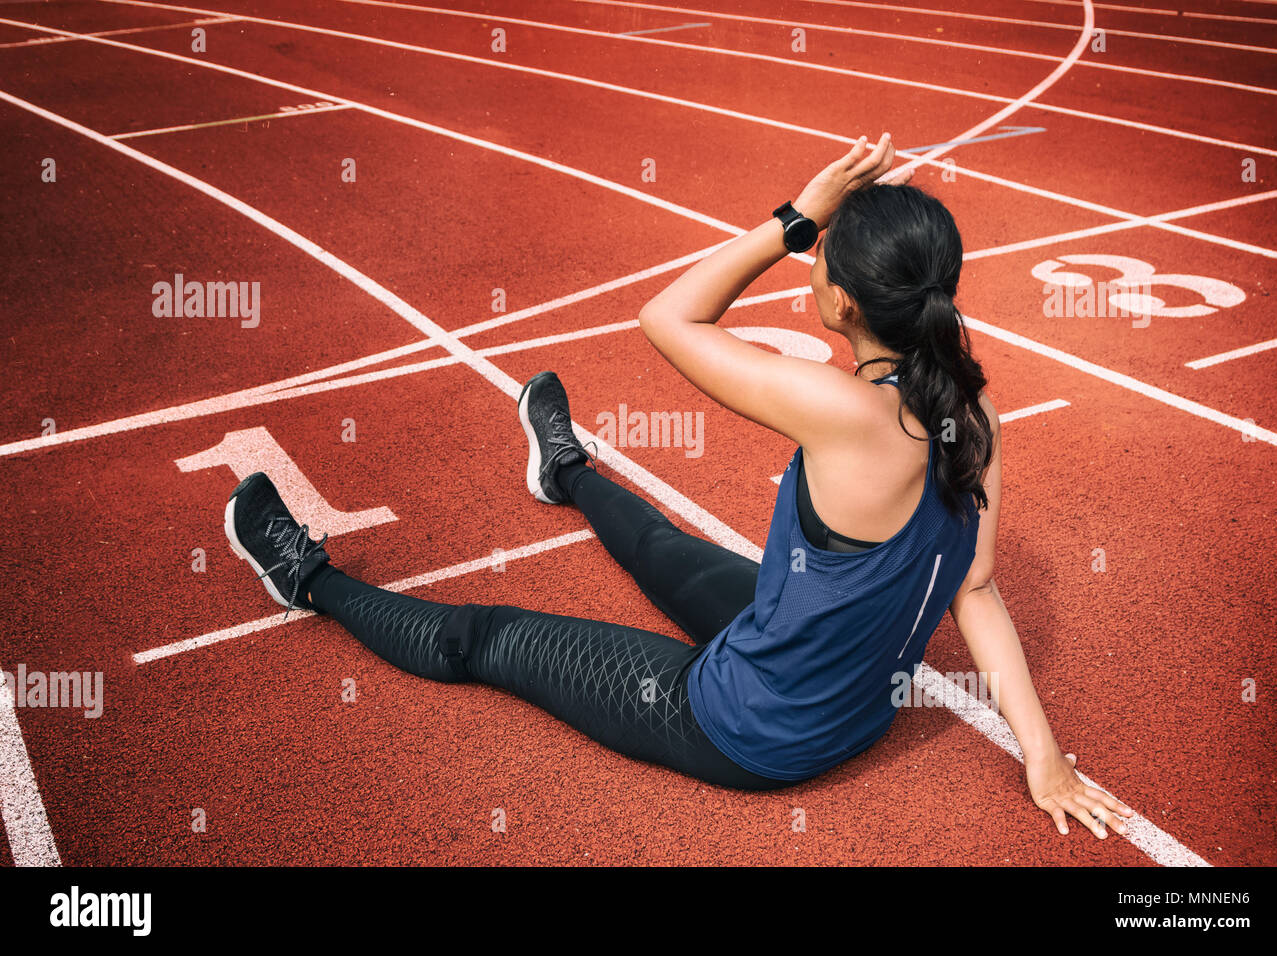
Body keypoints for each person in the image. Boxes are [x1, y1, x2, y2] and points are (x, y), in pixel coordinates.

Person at [225, 134, 1132, 838]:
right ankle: (567, 469)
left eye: (819, 264)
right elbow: (975, 591)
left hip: (743, 725)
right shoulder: (973, 415)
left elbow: (668, 316)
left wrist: (794, 219)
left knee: (485, 639)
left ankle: (304, 578)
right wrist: (1043, 760)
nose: (809, 268)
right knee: (662, 548)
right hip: (855, 701)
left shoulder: (839, 409)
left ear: (843, 304)